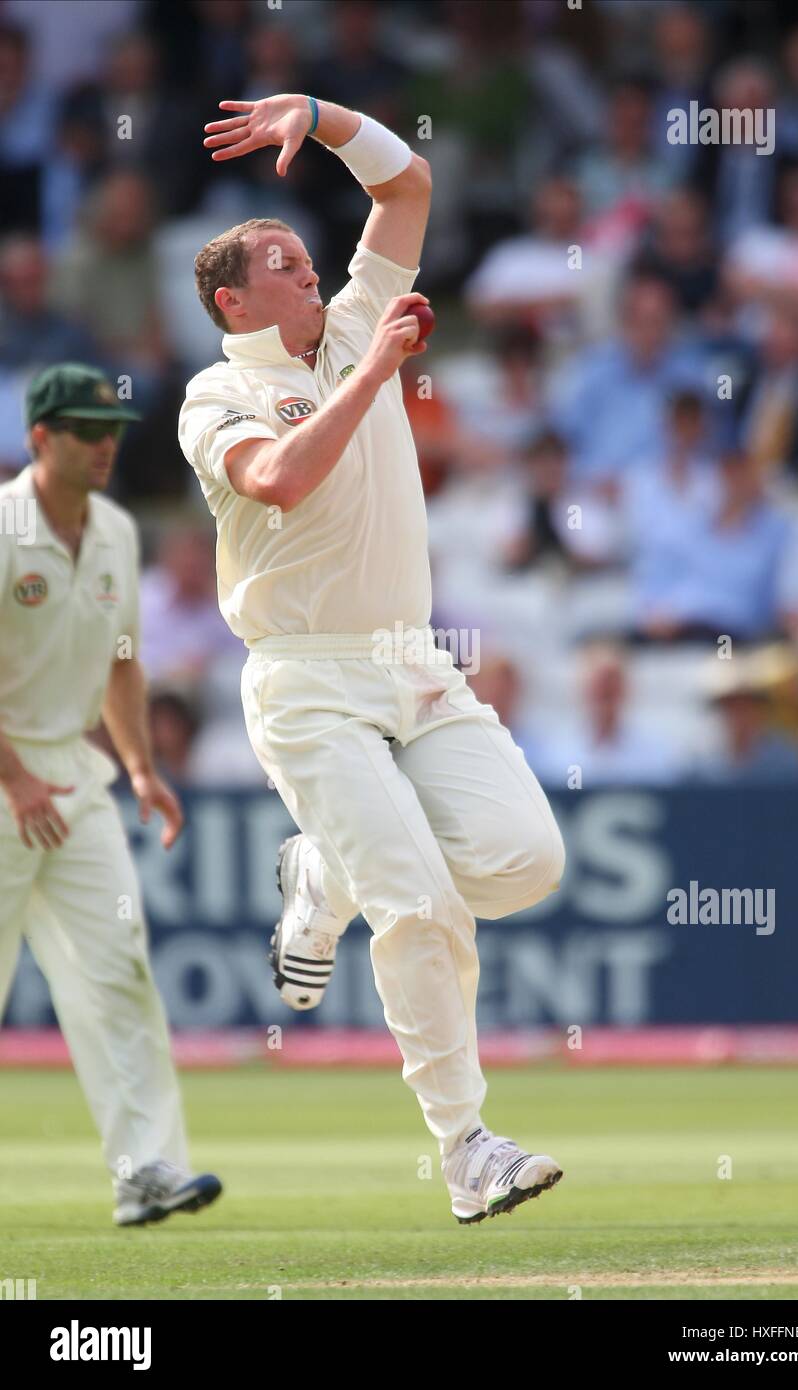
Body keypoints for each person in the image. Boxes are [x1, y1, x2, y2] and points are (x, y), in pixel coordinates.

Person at [179, 93, 566, 1224]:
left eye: (310, 260)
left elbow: (406, 186)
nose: (312, 273)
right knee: (420, 903)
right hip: (303, 677)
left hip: (410, 659)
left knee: (524, 861)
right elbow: (280, 479)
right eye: (284, 266)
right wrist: (378, 363)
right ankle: (466, 1149)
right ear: (232, 300)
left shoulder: (353, 321)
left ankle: (323, 872)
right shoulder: (217, 394)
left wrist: (321, 114)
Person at [0, 363, 221, 1227]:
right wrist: (15, 779)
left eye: (113, 431)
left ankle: (147, 1170)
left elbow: (124, 663)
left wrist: (138, 768)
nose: (105, 446)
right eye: (87, 431)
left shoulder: (118, 531)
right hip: (6, 778)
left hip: (75, 777)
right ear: (40, 437)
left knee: (117, 969)